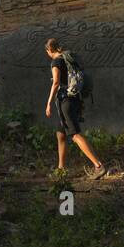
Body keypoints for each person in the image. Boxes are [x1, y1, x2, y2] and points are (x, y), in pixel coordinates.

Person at [44, 38, 106, 178]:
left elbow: (56, 83)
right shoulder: (68, 58)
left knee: (74, 134)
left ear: (49, 50)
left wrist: (48, 103)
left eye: (47, 51)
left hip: (65, 101)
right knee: (60, 133)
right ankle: (61, 169)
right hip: (75, 99)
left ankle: (98, 166)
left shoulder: (56, 61)